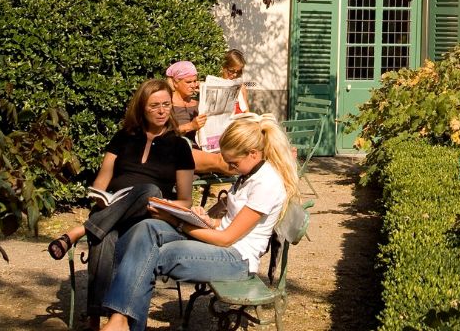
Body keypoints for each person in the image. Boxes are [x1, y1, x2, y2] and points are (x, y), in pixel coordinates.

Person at [97, 114, 299, 331]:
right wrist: (206, 220)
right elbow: (230, 224)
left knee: (154, 255)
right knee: (146, 228)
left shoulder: (266, 183)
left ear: (253, 153)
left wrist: (177, 222)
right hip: (222, 246)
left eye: (234, 163)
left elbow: (226, 239)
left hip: (237, 259)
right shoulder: (249, 173)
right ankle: (120, 320)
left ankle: (121, 322)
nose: (230, 168)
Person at [46, 79, 196, 328]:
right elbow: (101, 182)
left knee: (149, 190)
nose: (161, 111)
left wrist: (162, 208)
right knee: (104, 236)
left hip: (149, 216)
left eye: (166, 105)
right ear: (142, 108)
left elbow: (186, 200)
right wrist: (99, 197)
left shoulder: (179, 146)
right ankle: (96, 319)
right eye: (154, 106)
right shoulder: (124, 137)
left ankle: (81, 230)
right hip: (112, 210)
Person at [166, 61, 207, 135]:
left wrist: (205, 92)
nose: (193, 85)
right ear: (175, 83)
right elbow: (162, 132)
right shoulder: (167, 104)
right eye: (188, 82)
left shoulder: (198, 103)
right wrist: (190, 126)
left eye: (194, 81)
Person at [220, 50, 252, 114]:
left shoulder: (241, 87)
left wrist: (250, 117)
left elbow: (246, 108)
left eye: (238, 71)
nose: (235, 74)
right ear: (224, 67)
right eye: (231, 71)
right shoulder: (218, 83)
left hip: (240, 117)